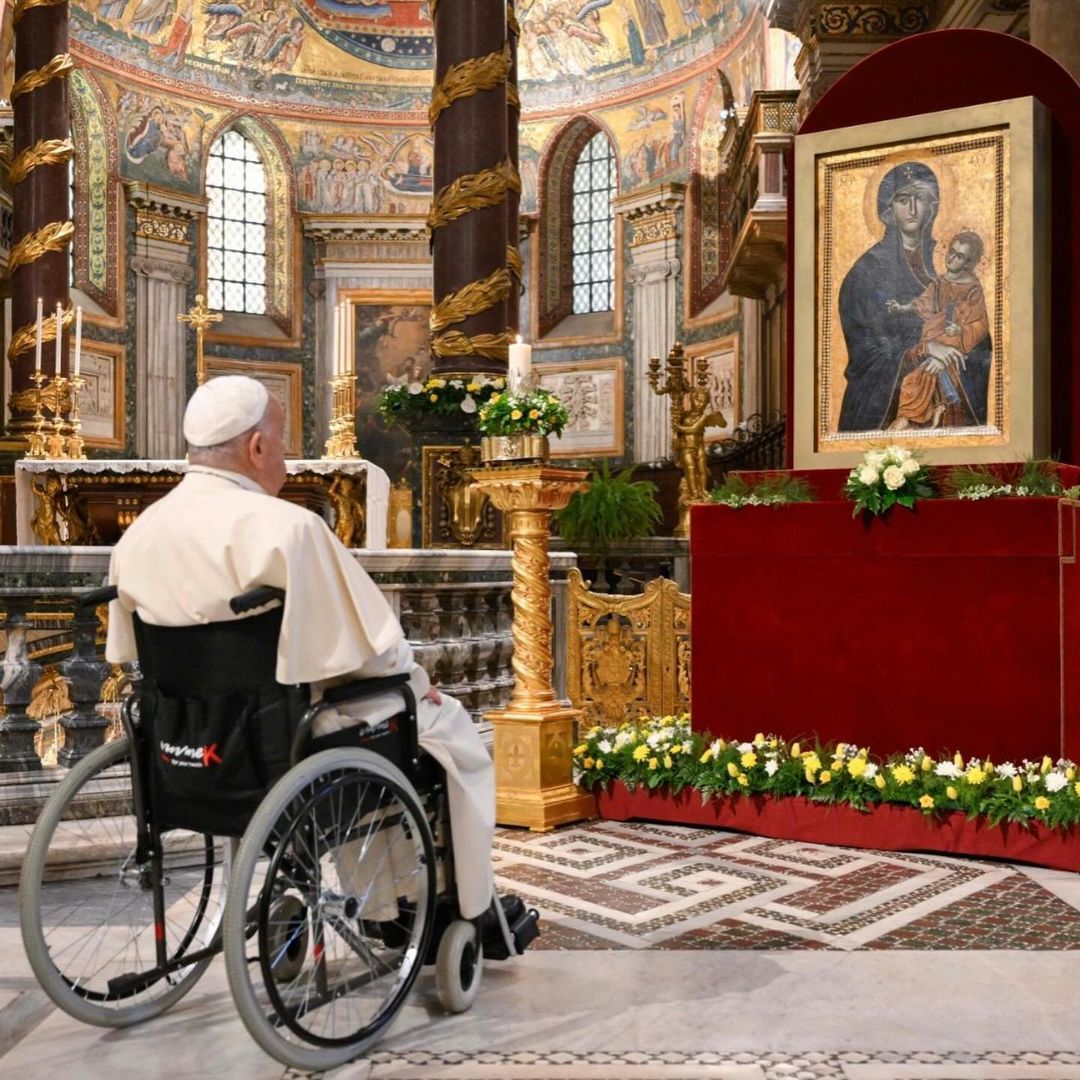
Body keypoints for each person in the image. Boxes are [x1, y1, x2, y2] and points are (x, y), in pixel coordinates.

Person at [104, 375, 497, 922]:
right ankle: (458, 908)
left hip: (188, 739)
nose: (286, 460)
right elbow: (370, 653)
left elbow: (127, 648)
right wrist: (417, 684)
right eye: (282, 443)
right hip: (284, 735)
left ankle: (389, 903)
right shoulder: (288, 527)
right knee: (444, 729)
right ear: (256, 446)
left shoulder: (141, 531)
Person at [836, 161, 992, 432]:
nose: (911, 209)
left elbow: (981, 334)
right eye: (902, 199)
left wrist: (956, 344)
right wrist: (926, 350)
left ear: (933, 206)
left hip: (952, 384)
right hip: (886, 401)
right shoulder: (865, 272)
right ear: (888, 209)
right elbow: (866, 352)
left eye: (920, 198)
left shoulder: (948, 260)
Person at [885, 229, 990, 430]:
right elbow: (922, 302)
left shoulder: (974, 290)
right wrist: (902, 307)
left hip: (955, 341)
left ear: (968, 263)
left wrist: (960, 330)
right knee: (916, 375)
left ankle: (916, 414)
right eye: (951, 251)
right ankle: (924, 411)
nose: (951, 258)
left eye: (959, 256)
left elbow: (980, 325)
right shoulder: (940, 282)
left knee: (921, 375)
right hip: (934, 338)